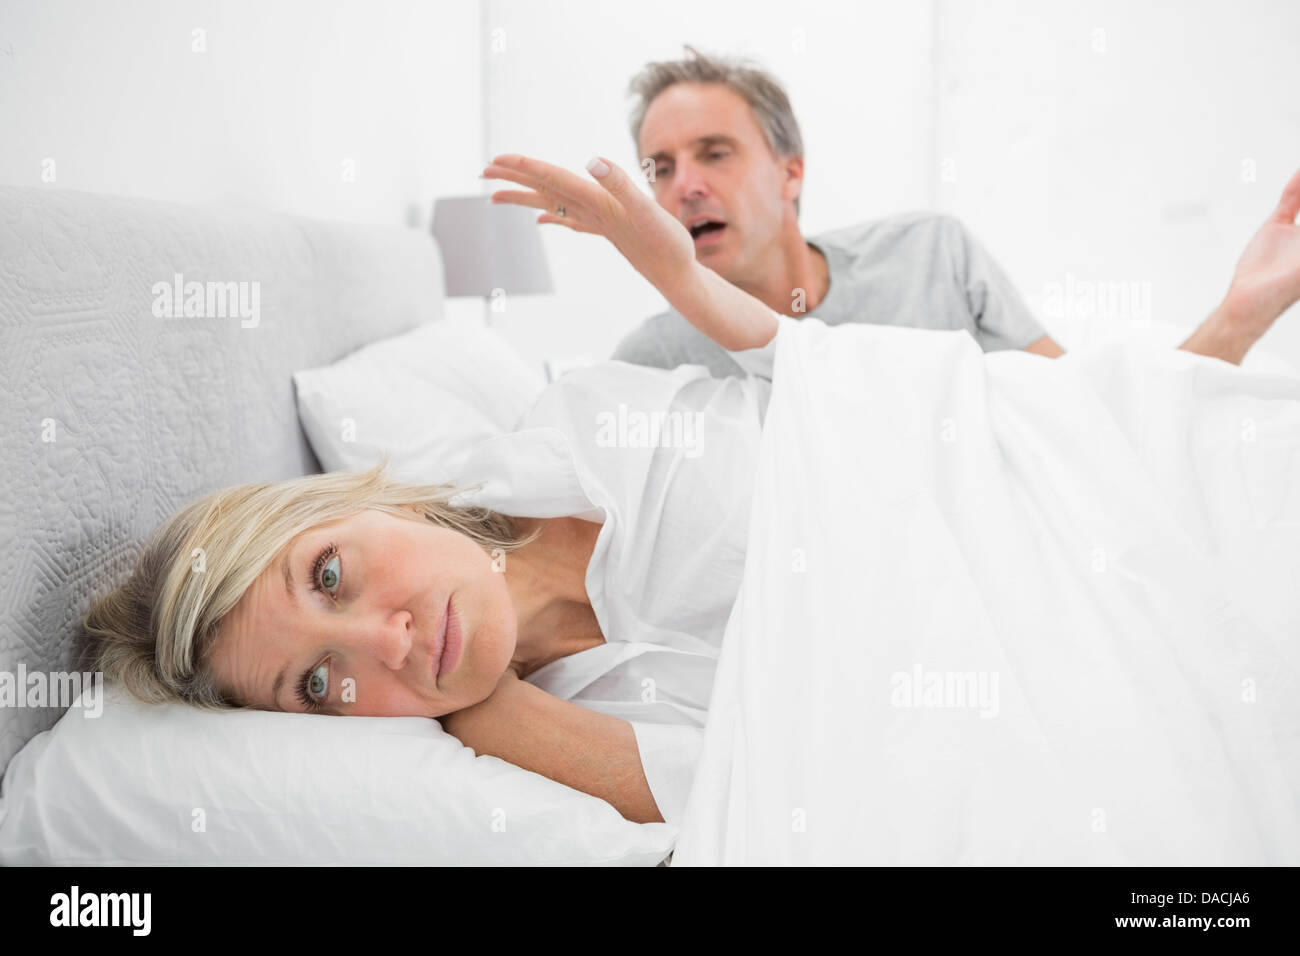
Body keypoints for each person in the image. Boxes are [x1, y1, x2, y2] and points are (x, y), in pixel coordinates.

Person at [83, 152, 1300, 828]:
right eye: (317, 680)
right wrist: (466, 705)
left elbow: (911, 436)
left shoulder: (575, 428)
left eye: (327, 575)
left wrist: (1225, 326)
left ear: (355, 504)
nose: (380, 635)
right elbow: (742, 785)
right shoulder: (528, 737)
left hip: (1120, 516)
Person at [609, 45, 1068, 375]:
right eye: (662, 169)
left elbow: (1066, 407)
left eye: (715, 153)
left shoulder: (933, 256)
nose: (686, 187)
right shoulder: (653, 359)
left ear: (790, 173)